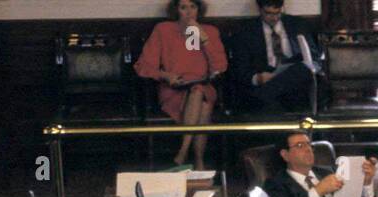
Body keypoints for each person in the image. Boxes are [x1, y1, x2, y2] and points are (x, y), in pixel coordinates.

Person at [134, 0, 227, 170]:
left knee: (199, 92)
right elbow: (143, 66)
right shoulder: (163, 29)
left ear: (199, 10)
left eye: (193, 7)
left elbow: (220, 67)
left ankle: (183, 152)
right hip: (174, 89)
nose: (189, 12)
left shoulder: (210, 31)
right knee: (203, 104)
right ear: (176, 10)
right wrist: (166, 75)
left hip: (202, 85)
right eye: (183, 7)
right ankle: (199, 161)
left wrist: (204, 39)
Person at [227, 0, 318, 114]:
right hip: (265, 75)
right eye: (269, 13)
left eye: (277, 13)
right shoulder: (245, 31)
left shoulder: (298, 25)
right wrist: (257, 78)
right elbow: (240, 67)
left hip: (294, 76)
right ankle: (264, 98)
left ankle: (260, 98)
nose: (274, 18)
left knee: (301, 70)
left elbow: (314, 56)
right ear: (259, 10)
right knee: (274, 103)